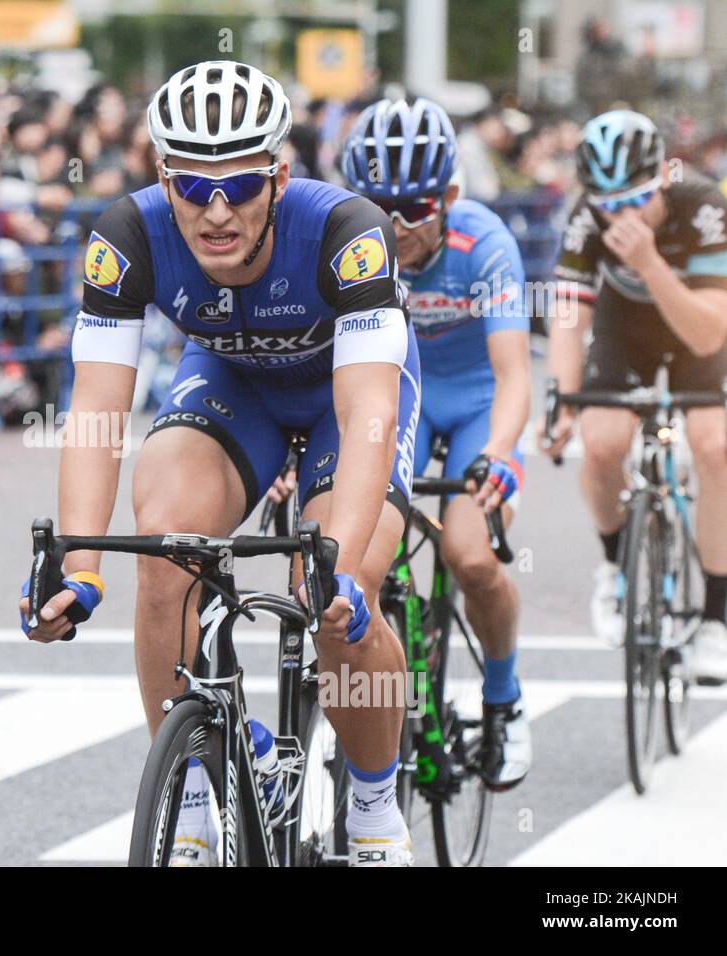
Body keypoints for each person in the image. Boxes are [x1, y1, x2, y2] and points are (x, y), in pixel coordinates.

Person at [20, 61, 420, 866]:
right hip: (234, 386)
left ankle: (374, 801)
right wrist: (78, 564)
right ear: (160, 177)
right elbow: (97, 407)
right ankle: (196, 793)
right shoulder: (126, 236)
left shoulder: (348, 230)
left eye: (238, 184)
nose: (214, 209)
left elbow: (369, 412)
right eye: (190, 183)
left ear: (277, 175)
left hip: (347, 401)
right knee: (165, 552)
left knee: (337, 597)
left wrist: (340, 564)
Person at [342, 97, 532, 792]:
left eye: (414, 209)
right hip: (401, 405)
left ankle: (504, 698)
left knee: (469, 555)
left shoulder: (484, 244)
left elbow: (515, 372)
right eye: (377, 207)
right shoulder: (348, 248)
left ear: (449, 196)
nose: (394, 229)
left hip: (479, 405)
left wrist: (503, 451)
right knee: (360, 553)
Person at [543, 109, 727, 684]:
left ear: (662, 178)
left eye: (633, 199)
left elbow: (707, 333)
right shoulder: (586, 217)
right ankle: (614, 566)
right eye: (606, 203)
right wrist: (561, 399)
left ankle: (717, 618)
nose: (619, 214)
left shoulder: (704, 206)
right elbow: (569, 318)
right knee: (601, 446)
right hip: (625, 333)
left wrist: (648, 261)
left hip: (697, 326)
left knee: (715, 447)